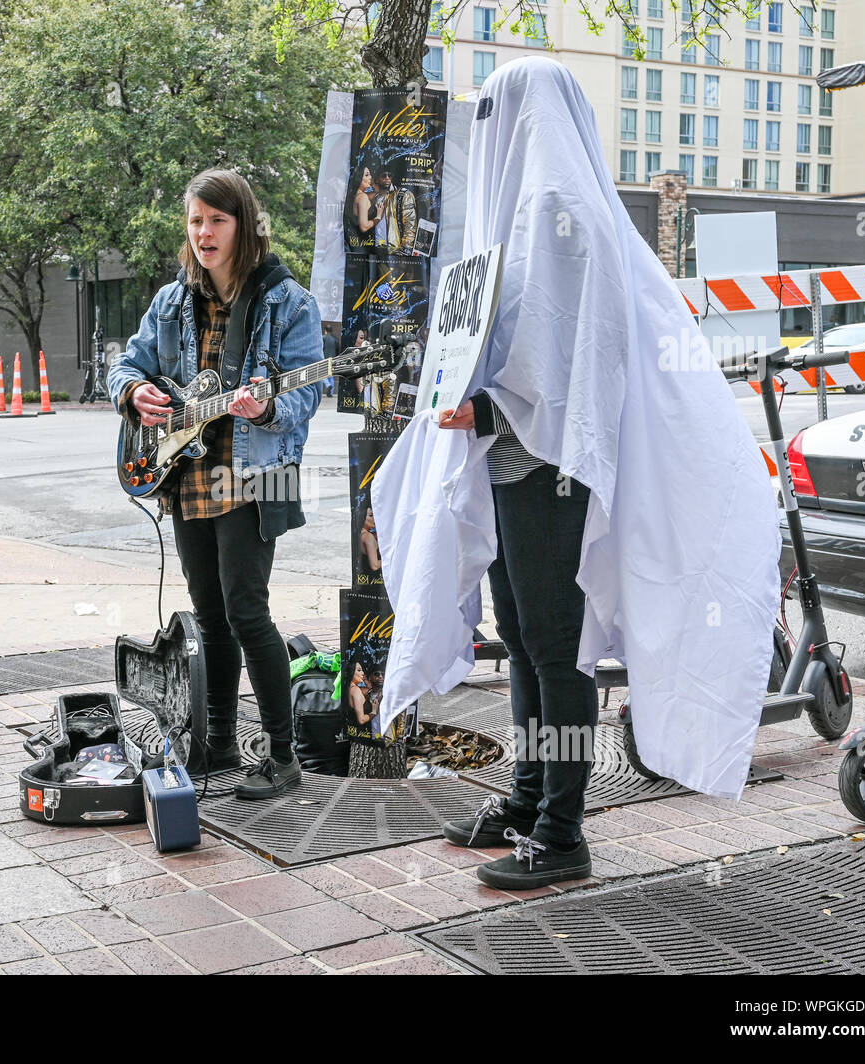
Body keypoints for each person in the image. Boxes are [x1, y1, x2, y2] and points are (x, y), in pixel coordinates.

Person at [369, 58, 780, 890]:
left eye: (499, 113)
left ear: (529, 118)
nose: (488, 132)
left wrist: (484, 410)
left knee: (555, 648)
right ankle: (527, 800)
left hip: (551, 468)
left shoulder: (561, 215)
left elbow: (580, 362)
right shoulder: (523, 218)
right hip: (512, 461)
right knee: (521, 638)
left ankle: (562, 830)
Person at [107, 168, 323, 800]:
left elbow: (309, 396)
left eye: (217, 220)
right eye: (196, 221)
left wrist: (268, 408)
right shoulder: (174, 300)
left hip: (266, 472)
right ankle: (222, 741)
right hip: (189, 469)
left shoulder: (291, 303)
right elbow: (125, 362)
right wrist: (133, 390)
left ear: (243, 225)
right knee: (209, 615)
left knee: (247, 610)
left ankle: (283, 758)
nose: (204, 233)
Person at [373, 170, 418, 253]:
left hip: (394, 250)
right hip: (375, 249)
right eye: (384, 175)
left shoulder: (403, 195)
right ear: (377, 178)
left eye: (389, 175)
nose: (387, 178)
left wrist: (405, 249)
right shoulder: (374, 198)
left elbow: (410, 224)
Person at [321, 324, 338, 396]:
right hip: (333, 359)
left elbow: (321, 349)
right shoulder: (335, 339)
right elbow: (337, 350)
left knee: (322, 375)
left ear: (325, 331)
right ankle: (330, 393)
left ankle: (328, 385)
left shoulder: (323, 338)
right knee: (331, 376)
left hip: (324, 359)